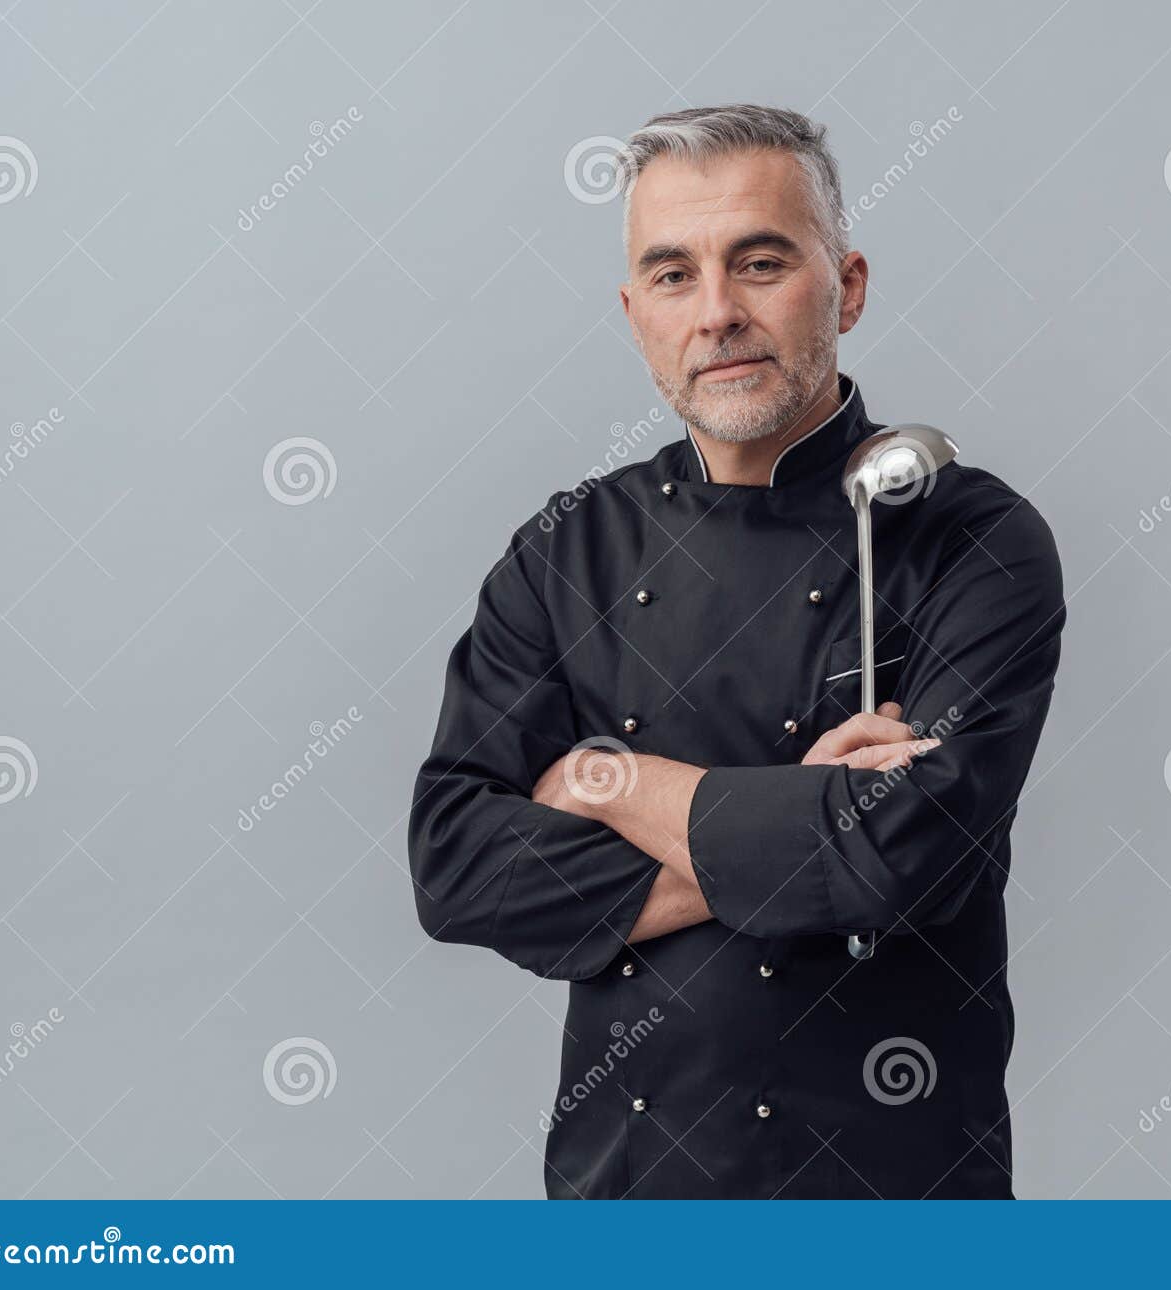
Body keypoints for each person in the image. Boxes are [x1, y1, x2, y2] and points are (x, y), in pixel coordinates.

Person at [408, 103, 1065, 1198]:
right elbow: (457, 868)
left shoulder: (969, 536)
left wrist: (602, 781)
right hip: (624, 1198)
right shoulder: (567, 547)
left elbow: (897, 858)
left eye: (760, 263)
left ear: (845, 285)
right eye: (673, 275)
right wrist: (798, 821)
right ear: (635, 313)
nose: (717, 313)